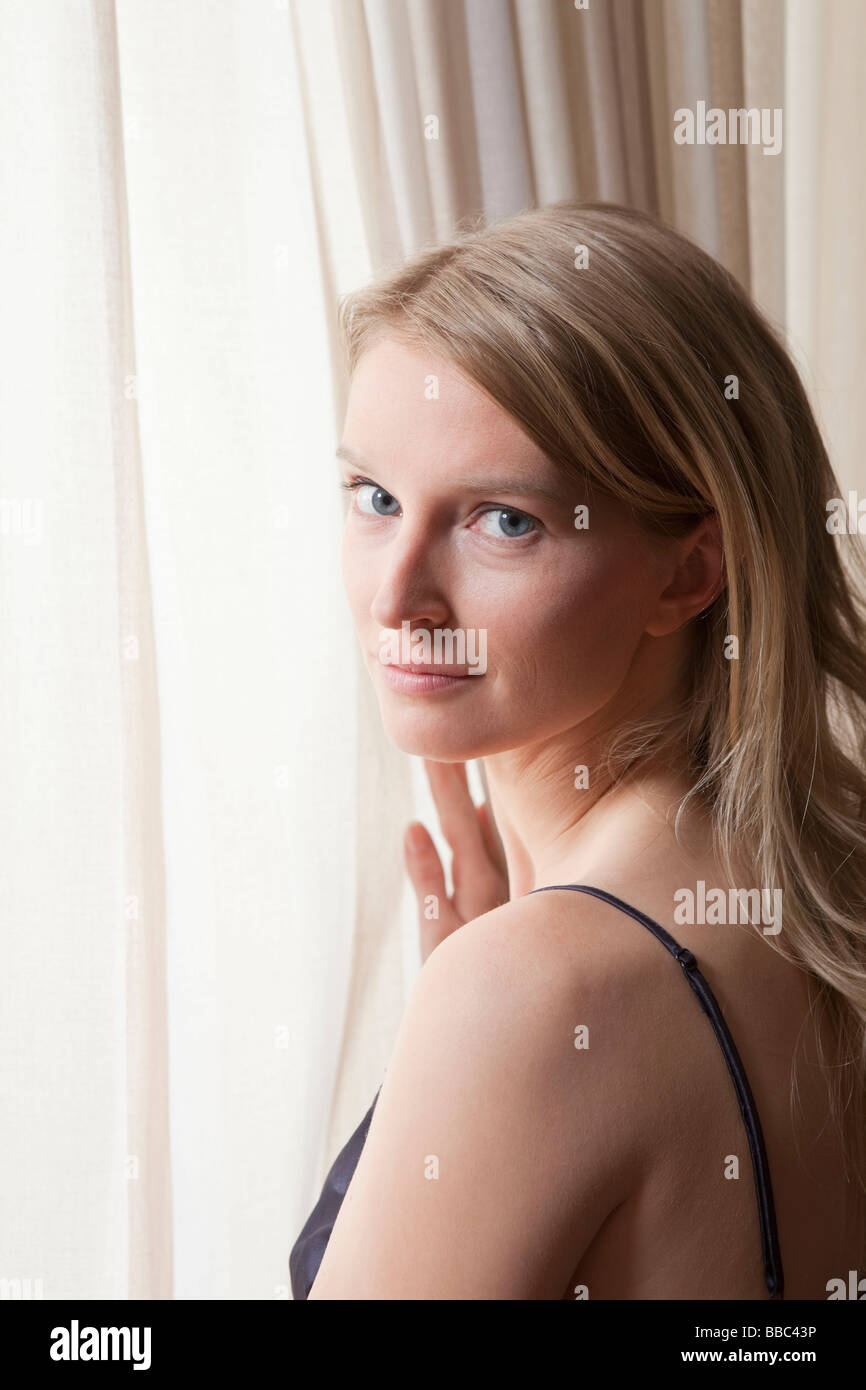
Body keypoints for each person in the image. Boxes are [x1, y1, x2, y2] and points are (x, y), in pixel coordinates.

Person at [291, 201, 866, 1300]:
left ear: (687, 574)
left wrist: (495, 998)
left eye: (503, 521)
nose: (395, 595)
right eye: (374, 498)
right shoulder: (811, 889)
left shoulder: (536, 992)